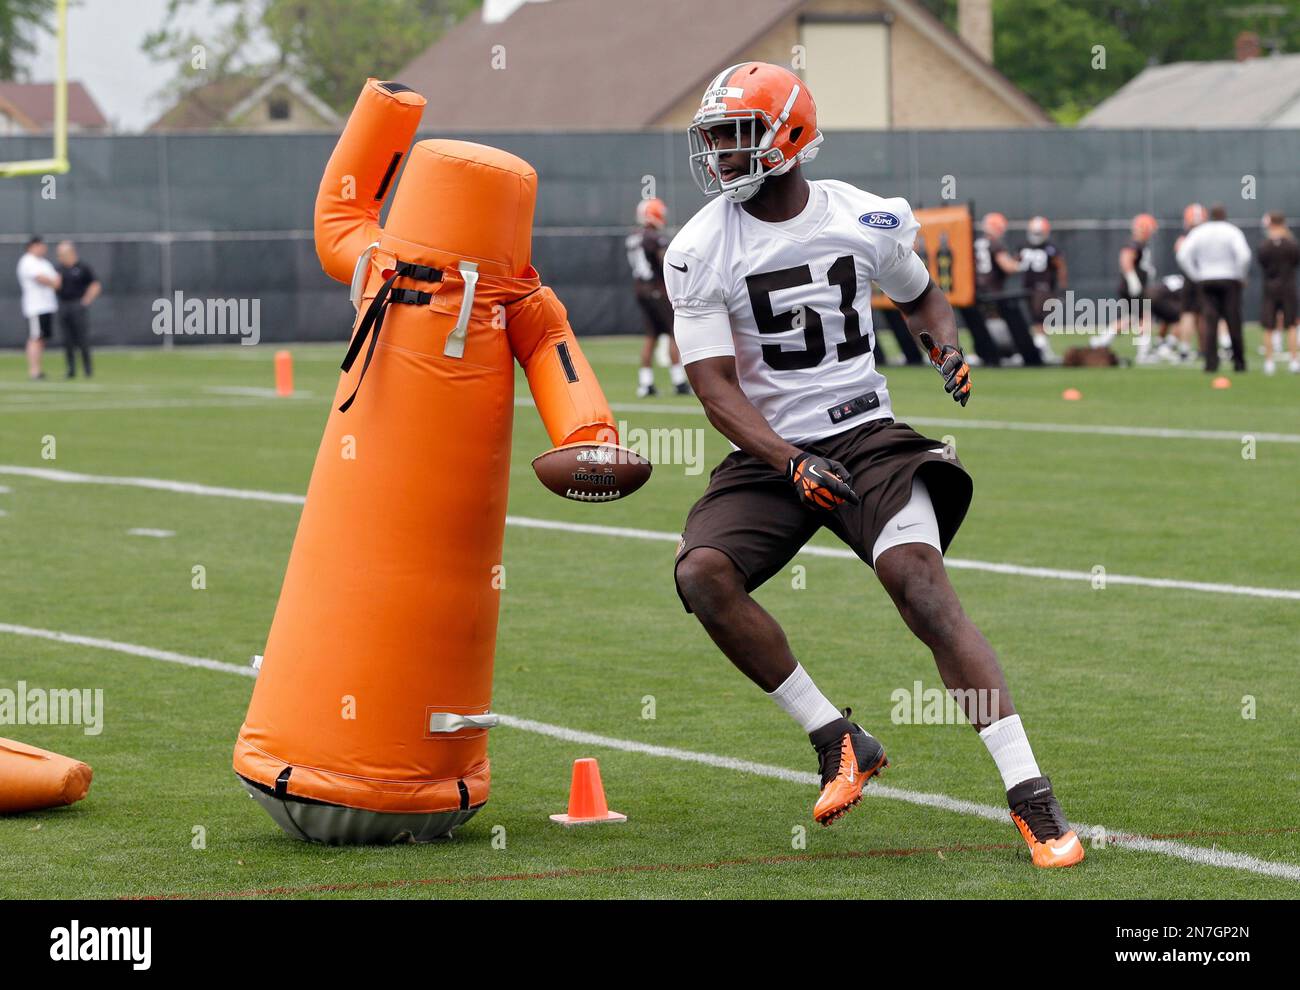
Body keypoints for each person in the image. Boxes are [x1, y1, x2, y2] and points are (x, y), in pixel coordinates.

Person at [664, 62, 1082, 869]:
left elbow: (922, 295)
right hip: (770, 451)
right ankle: (838, 737)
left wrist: (945, 345)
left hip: (867, 436)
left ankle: (1031, 797)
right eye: (712, 138)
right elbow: (715, 389)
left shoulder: (867, 217)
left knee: (923, 591)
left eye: (734, 136)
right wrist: (788, 464)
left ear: (787, 137)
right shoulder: (698, 248)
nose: (718, 155)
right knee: (702, 574)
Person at [1177, 203, 1252, 373]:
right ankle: (1239, 362)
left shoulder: (1200, 232)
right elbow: (1244, 255)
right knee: (1234, 321)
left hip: (1206, 280)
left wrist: (1196, 275)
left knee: (1209, 321)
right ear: (1225, 215)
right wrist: (1241, 275)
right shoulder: (1232, 231)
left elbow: (1182, 255)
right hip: (1230, 279)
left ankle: (1211, 363)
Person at [625, 197, 688, 396]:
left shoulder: (633, 237)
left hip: (640, 290)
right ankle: (679, 382)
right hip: (657, 290)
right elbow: (666, 263)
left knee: (651, 336)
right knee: (673, 333)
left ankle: (646, 384)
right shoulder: (654, 238)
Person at [1254, 211, 1299, 375]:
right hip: (1288, 288)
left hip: (1270, 288)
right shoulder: (1292, 244)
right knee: (1292, 325)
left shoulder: (1265, 245)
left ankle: (1269, 362)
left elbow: (1262, 262)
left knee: (1269, 326)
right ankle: (1294, 361)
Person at [1017, 215, 1066, 363]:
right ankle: (1041, 350)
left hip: (1034, 288)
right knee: (1039, 321)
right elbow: (1061, 268)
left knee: (1039, 321)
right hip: (1041, 289)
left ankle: (1043, 349)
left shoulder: (1024, 246)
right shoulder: (1048, 248)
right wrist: (1062, 288)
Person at [54, 240, 101, 379]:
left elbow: (95, 284)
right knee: (66, 340)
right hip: (63, 305)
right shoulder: (58, 269)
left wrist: (86, 300)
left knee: (82, 339)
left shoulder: (83, 268)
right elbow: (55, 286)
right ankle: (71, 369)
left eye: (62, 254)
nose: (60, 257)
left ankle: (87, 369)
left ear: (71, 253)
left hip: (77, 305)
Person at [16, 236, 60, 380]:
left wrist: (52, 282)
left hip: (48, 305)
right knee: (35, 337)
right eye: (40, 245)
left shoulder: (45, 263)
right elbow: (41, 279)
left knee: (42, 338)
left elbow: (57, 281)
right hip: (35, 306)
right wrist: (51, 281)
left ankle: (38, 369)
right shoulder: (27, 261)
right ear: (32, 246)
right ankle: (34, 371)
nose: (43, 248)